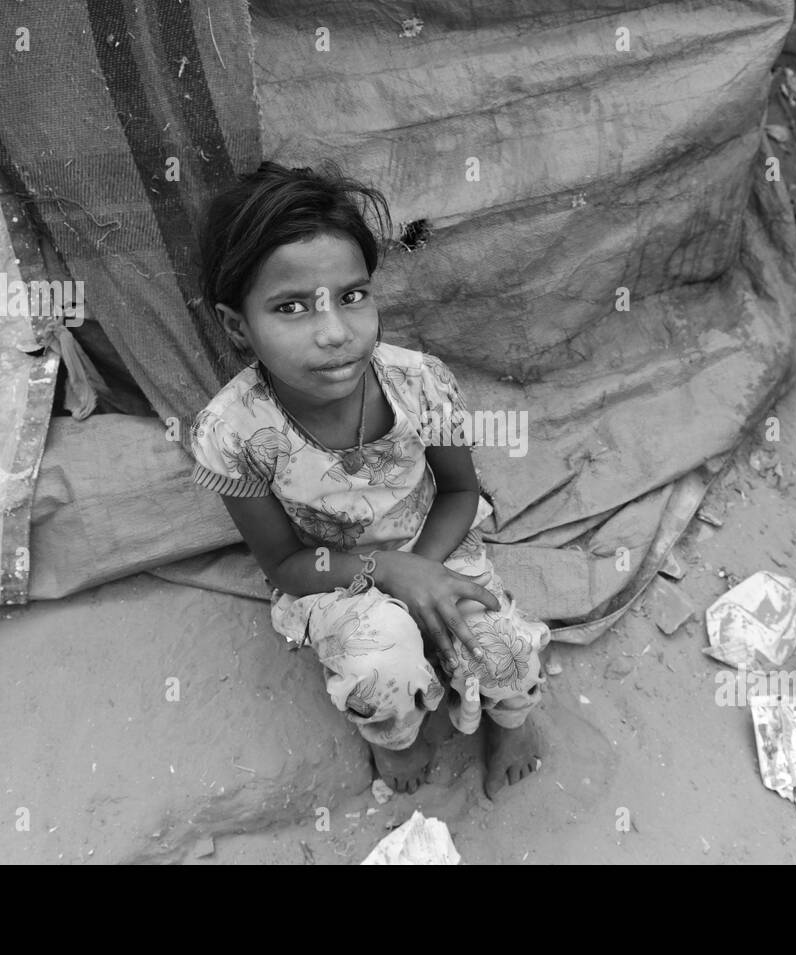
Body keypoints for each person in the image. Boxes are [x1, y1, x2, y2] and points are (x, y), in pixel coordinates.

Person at [188, 161, 549, 798]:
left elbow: (462, 493)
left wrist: (422, 572)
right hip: (334, 571)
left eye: (352, 296)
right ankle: (397, 738)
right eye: (292, 306)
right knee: (379, 670)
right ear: (237, 326)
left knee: (505, 649)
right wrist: (386, 575)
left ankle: (512, 721)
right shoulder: (231, 433)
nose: (334, 332)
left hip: (436, 542)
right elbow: (285, 563)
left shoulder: (421, 382)